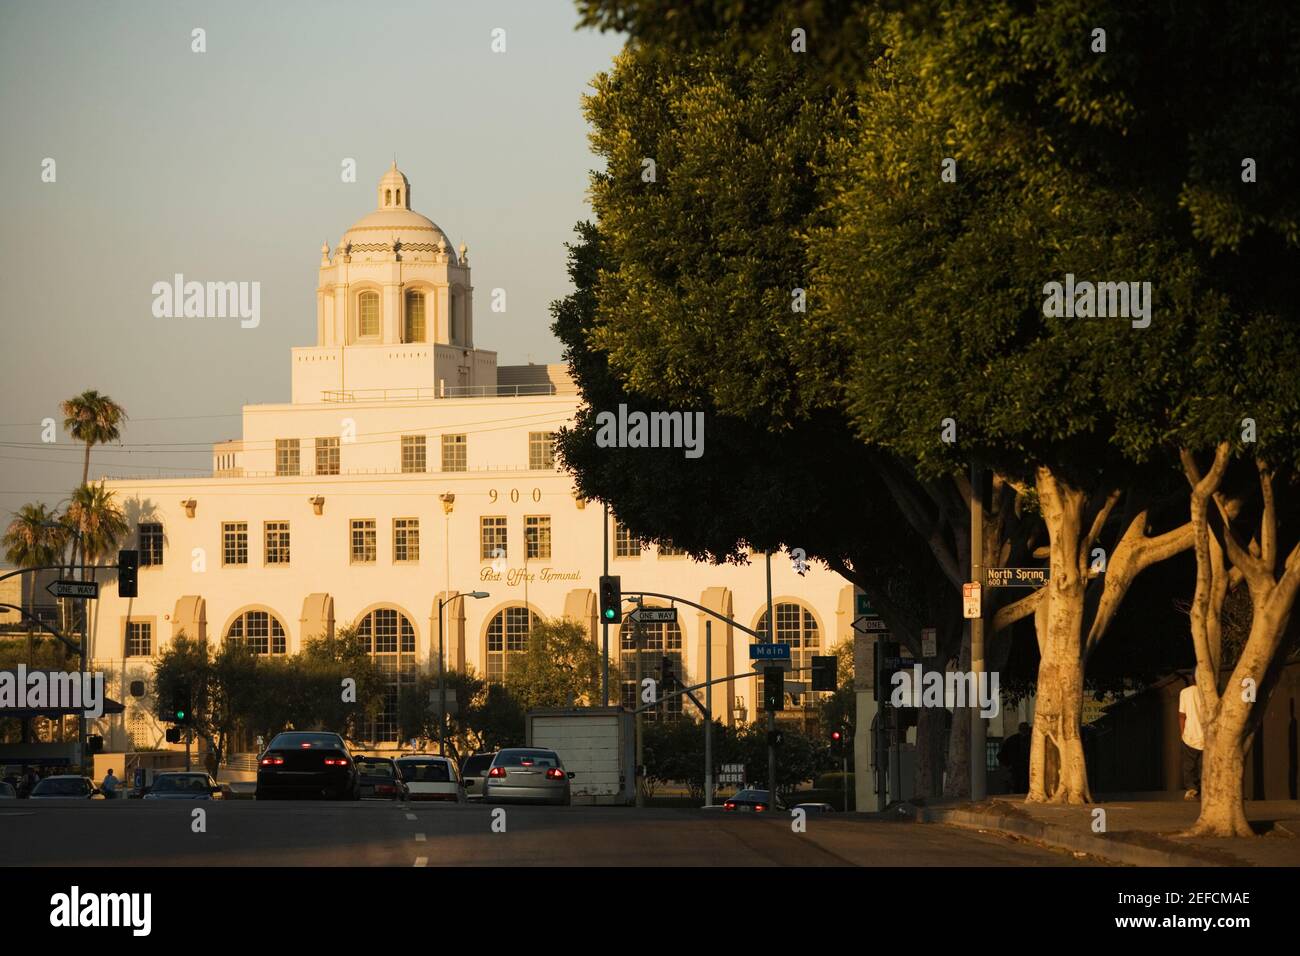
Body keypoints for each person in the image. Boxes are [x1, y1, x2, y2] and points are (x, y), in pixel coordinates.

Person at [1178, 681, 1204, 800]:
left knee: (1188, 765)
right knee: (1202, 765)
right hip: (1205, 736)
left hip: (1190, 735)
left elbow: (1182, 715)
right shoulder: (1208, 692)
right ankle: (1202, 788)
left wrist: (1182, 732)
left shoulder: (1185, 692)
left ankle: (1191, 788)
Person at [997, 721, 1032, 794]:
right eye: (1023, 728)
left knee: (1023, 785)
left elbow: (1001, 755)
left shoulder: (1013, 740)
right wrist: (1009, 764)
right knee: (1018, 785)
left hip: (1026, 767)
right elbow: (1001, 755)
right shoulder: (1012, 740)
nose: (1024, 730)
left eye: (1025, 729)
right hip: (1017, 767)